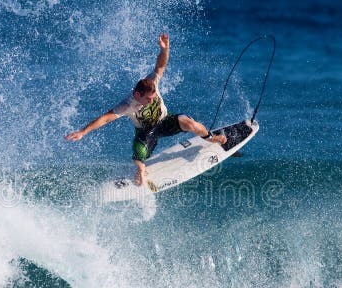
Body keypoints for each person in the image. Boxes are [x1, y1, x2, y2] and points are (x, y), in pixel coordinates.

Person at [65, 33, 227, 186]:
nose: (151, 100)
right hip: (146, 131)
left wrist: (165, 49)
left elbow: (160, 66)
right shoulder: (128, 105)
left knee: (190, 123)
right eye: (148, 98)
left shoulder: (152, 82)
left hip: (165, 121)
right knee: (138, 154)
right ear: (137, 94)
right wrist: (83, 132)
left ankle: (211, 138)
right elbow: (105, 118)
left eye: (153, 97)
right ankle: (141, 170)